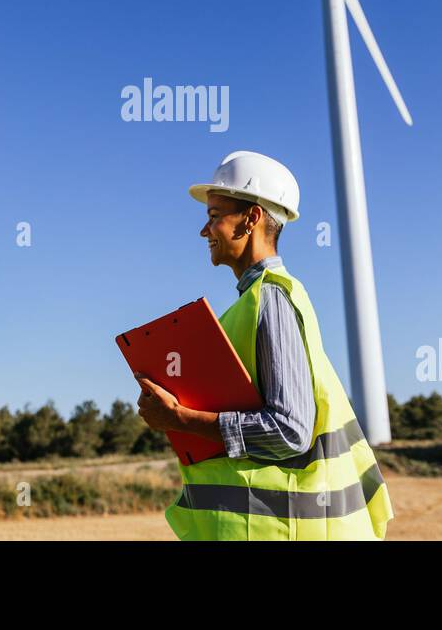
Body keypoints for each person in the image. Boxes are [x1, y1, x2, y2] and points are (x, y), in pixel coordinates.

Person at [135, 150, 393, 540]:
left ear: (251, 219)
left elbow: (290, 430)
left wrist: (180, 420)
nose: (205, 232)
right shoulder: (253, 302)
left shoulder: (270, 299)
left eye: (214, 216)